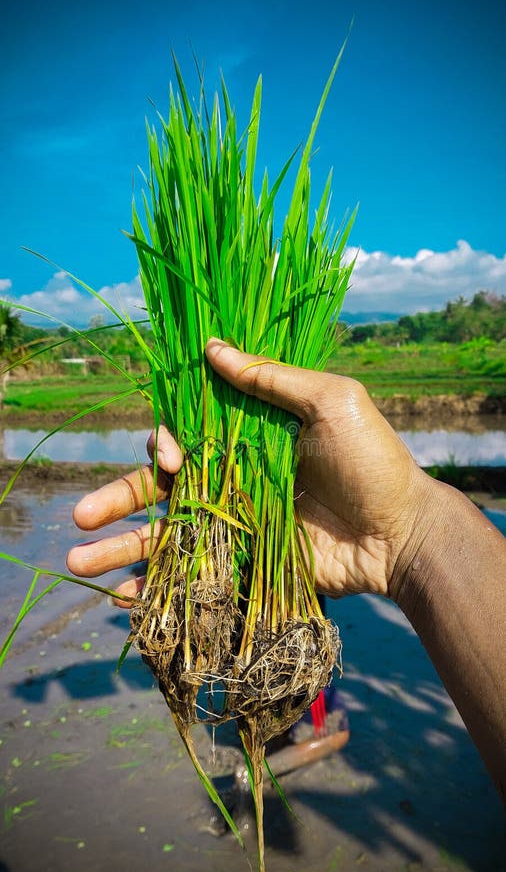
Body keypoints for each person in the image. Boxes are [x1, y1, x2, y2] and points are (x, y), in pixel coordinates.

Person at [67, 338, 506, 800]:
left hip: (279, 627)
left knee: (291, 711)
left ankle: (254, 770)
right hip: (262, 623)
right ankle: (255, 766)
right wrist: (413, 535)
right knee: (287, 709)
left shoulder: (297, 596)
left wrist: (412, 529)